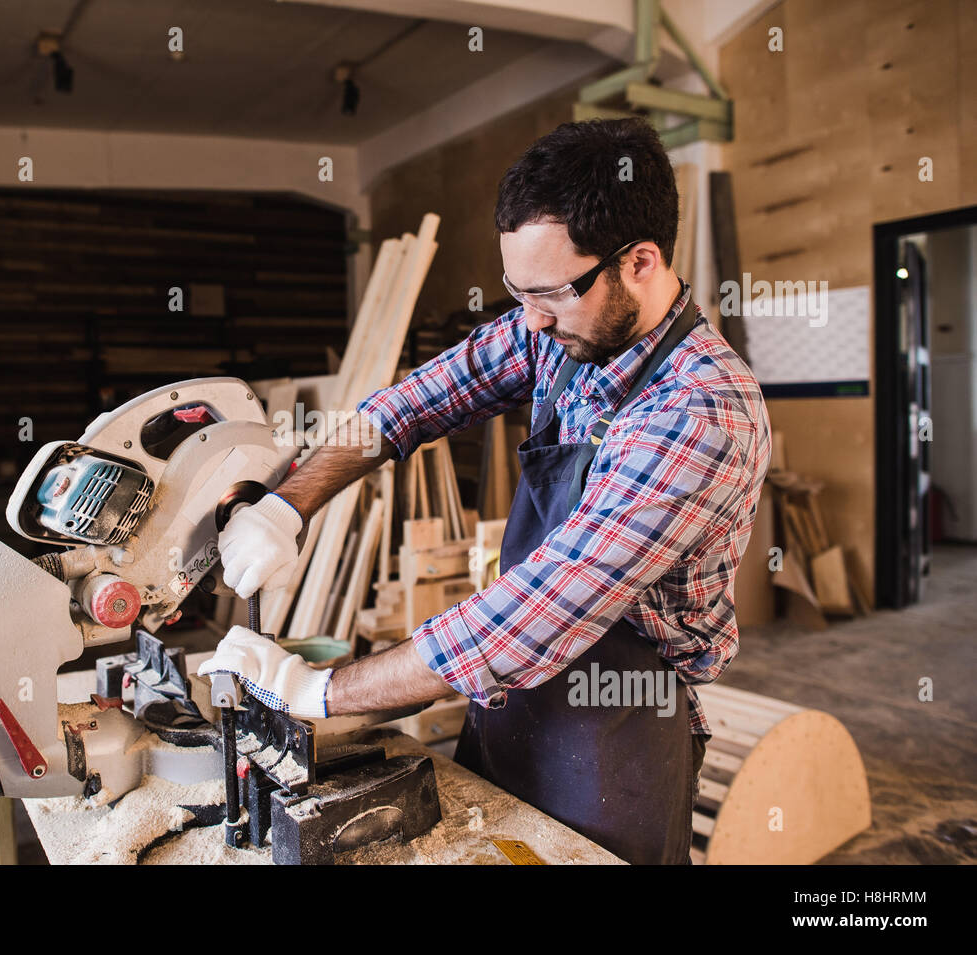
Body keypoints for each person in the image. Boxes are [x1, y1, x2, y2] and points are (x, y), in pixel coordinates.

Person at [200, 118, 772, 864]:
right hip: (510, 696)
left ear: (640, 261)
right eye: (517, 290)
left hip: (618, 721)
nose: (530, 319)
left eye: (550, 295)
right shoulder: (561, 325)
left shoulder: (701, 409)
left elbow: (540, 610)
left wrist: (320, 691)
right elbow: (409, 405)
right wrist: (288, 504)